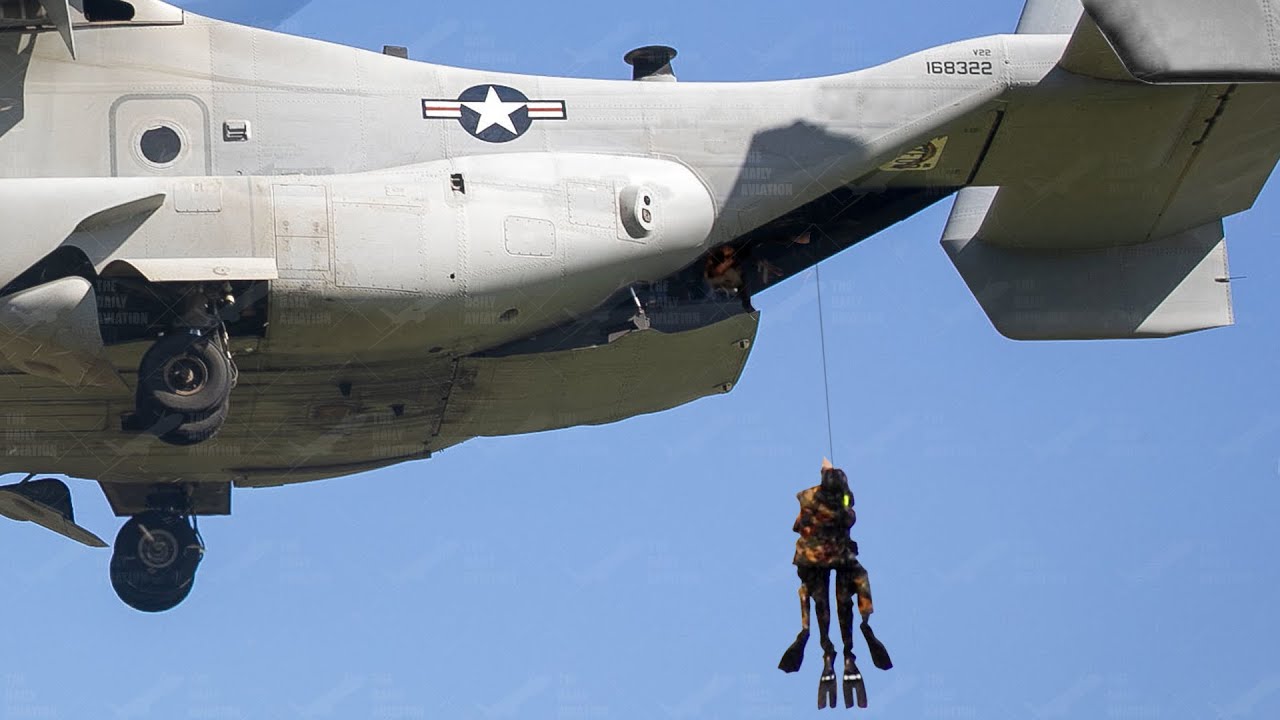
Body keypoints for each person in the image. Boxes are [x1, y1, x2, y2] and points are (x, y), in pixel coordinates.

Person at [779, 459, 891, 709]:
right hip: (839, 558)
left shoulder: (808, 499)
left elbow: (797, 525)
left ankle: (825, 649)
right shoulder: (842, 501)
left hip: (813, 561)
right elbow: (850, 512)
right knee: (846, 599)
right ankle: (852, 646)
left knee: (819, 601)